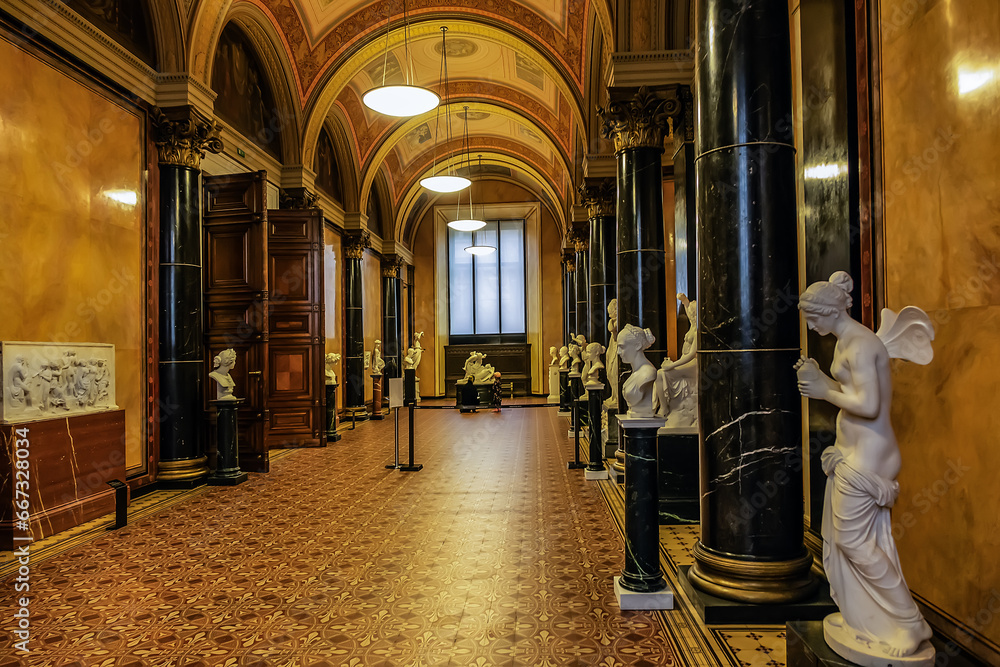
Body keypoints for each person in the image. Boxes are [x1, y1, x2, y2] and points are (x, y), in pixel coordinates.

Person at [795, 271, 933, 660]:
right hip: (853, 451)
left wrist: (824, 389)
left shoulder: (860, 344)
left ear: (827, 311)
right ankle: (866, 618)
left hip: (869, 456)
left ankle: (909, 621)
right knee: (847, 541)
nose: (810, 325)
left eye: (812, 317)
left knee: (855, 543)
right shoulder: (847, 342)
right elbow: (854, 394)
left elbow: (871, 406)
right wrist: (822, 379)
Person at [616, 324, 657, 418]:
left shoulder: (648, 373)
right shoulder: (636, 373)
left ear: (637, 345)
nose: (618, 352)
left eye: (622, 347)